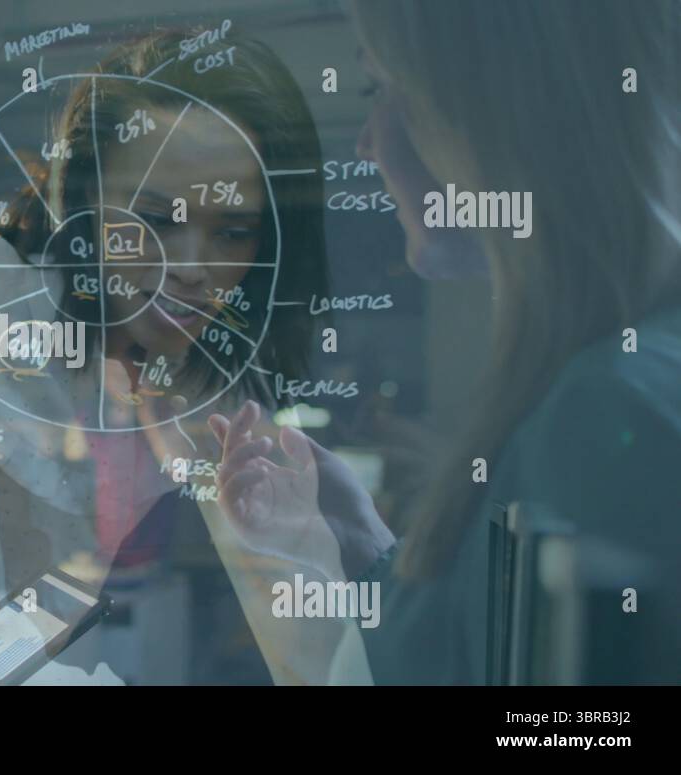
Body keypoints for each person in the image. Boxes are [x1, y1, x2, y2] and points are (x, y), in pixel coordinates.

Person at [211, 0, 681, 683]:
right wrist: (353, 543)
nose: (365, 143)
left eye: (380, 88)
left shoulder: (609, 413)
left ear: (493, 113)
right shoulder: (608, 385)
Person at [0, 27, 331, 683]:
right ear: (86, 198)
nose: (191, 268)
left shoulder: (211, 370)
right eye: (156, 220)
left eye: (233, 230)